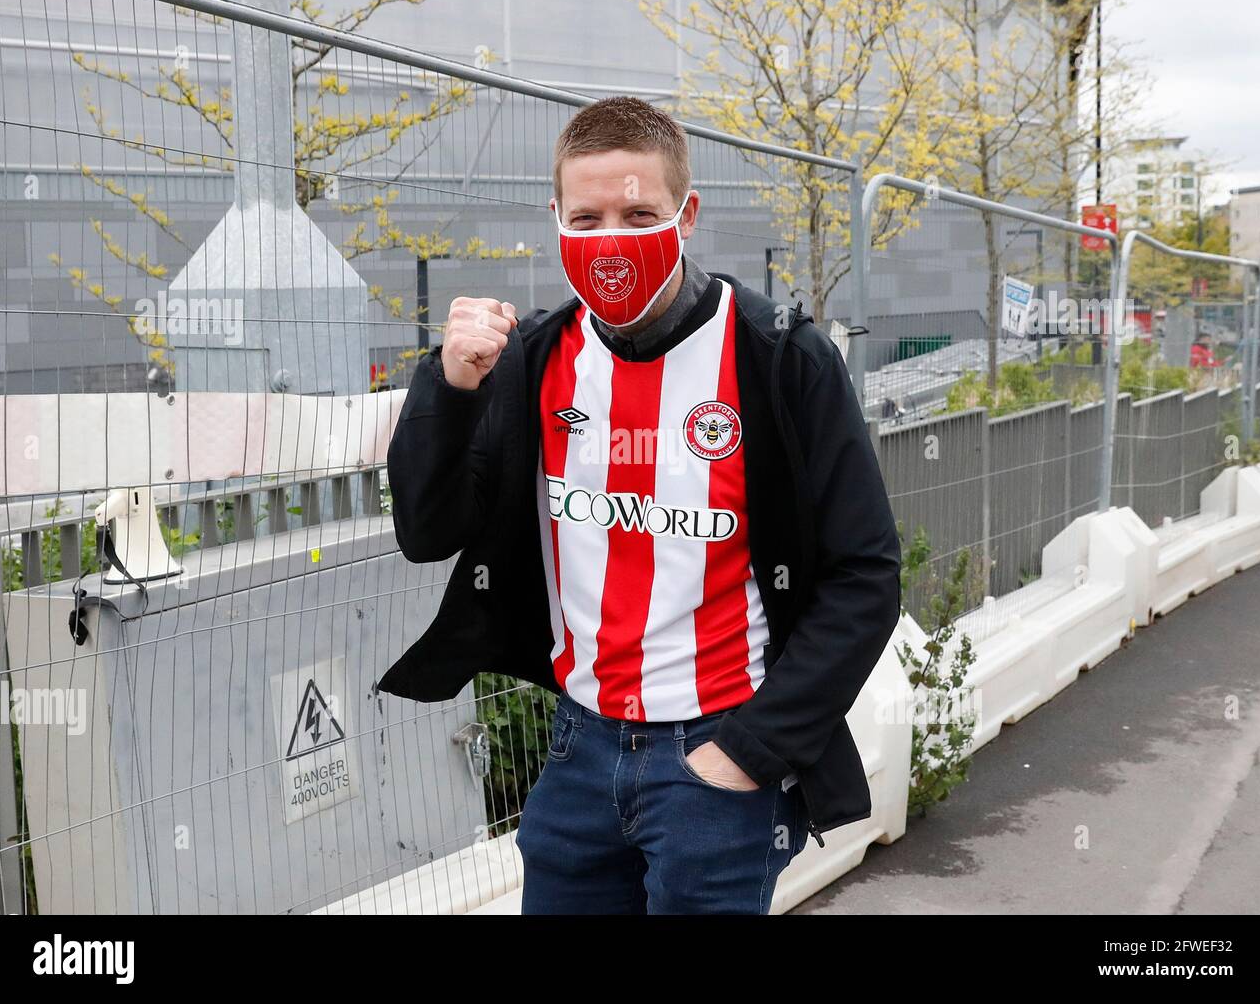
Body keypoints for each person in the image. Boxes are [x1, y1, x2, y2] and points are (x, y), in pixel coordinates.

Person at [378, 96, 901, 915]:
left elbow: (865, 574)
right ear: (555, 219)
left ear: (686, 216)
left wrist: (748, 753)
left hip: (716, 759)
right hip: (579, 753)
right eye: (586, 217)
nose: (610, 239)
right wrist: (446, 389)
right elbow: (426, 530)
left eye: (638, 213)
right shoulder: (533, 362)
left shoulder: (778, 359)